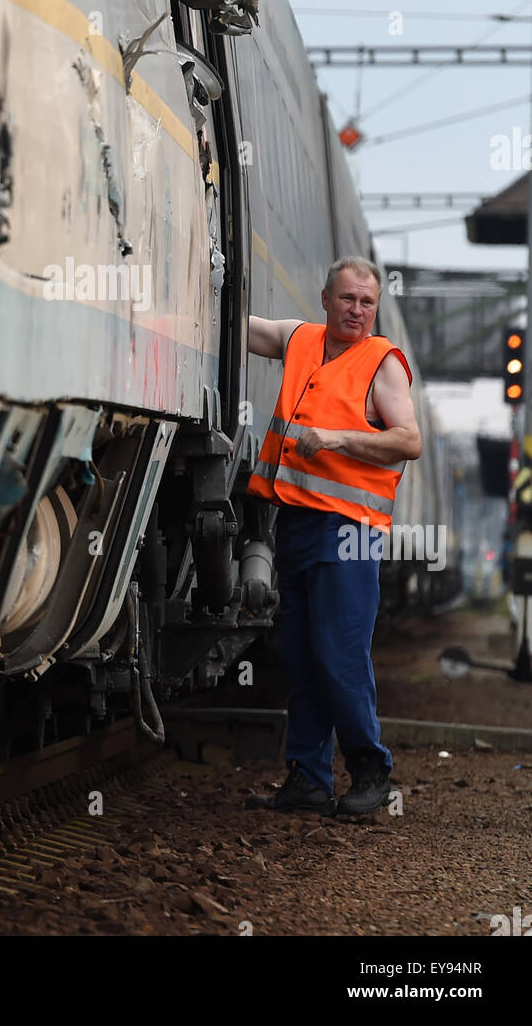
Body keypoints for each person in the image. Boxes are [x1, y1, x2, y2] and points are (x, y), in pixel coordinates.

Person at [244, 257, 422, 816]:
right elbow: (239, 325)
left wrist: (340, 440)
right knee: (300, 655)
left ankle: (372, 771)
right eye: (348, 299)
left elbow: (409, 440)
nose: (358, 310)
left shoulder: (382, 363)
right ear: (324, 300)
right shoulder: (300, 340)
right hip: (297, 522)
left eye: (367, 302)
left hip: (352, 532)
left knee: (339, 654)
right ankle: (308, 778)